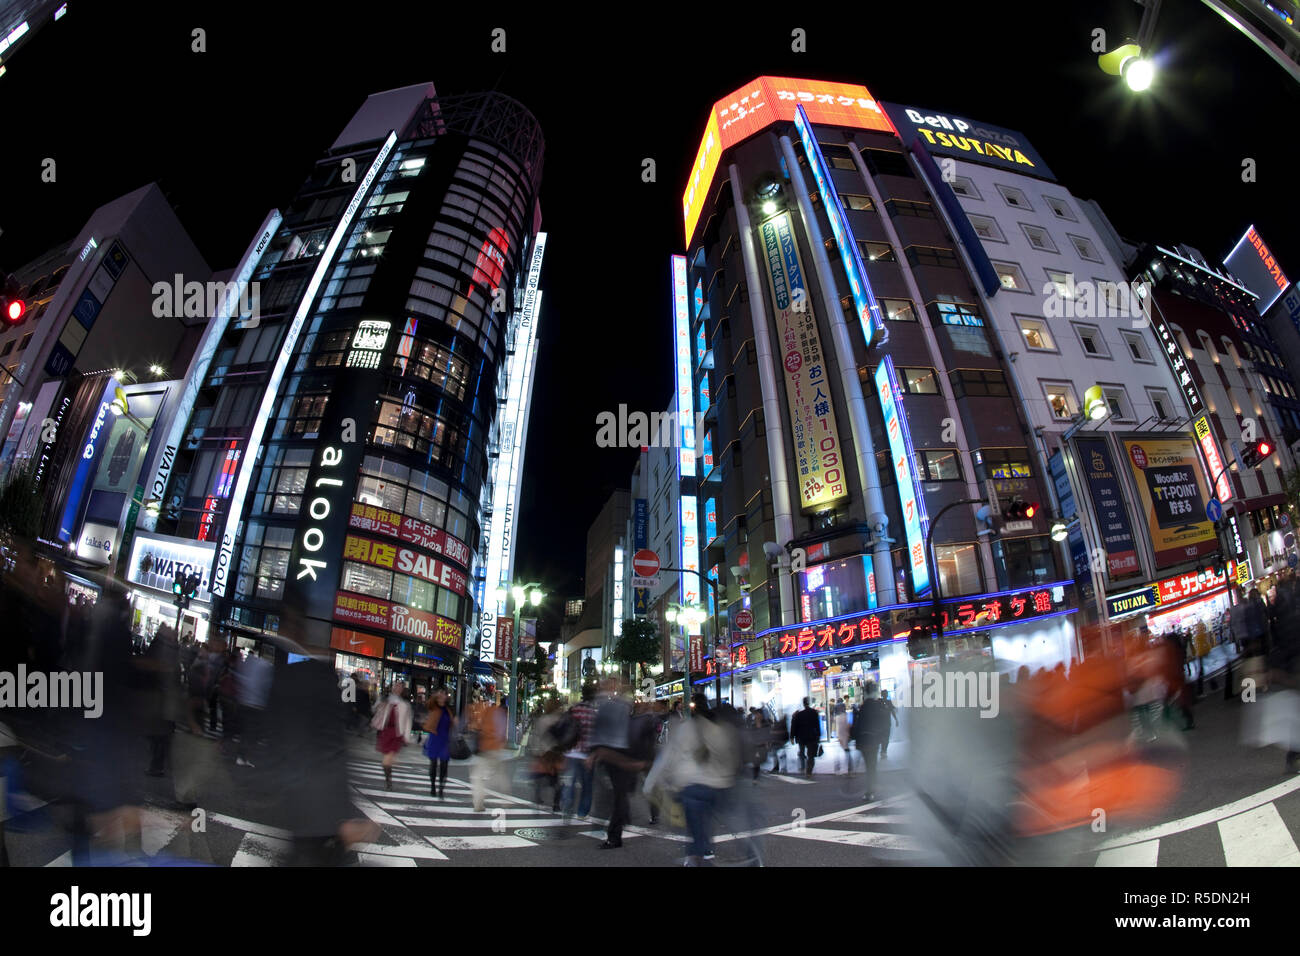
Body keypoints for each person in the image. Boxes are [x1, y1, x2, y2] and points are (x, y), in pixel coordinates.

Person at [643, 694, 739, 866]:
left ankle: (695, 857)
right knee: (705, 820)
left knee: (694, 826)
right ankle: (706, 850)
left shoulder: (685, 728)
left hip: (691, 784)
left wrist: (651, 782)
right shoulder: (716, 728)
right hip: (714, 784)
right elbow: (726, 755)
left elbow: (667, 755)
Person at [589, 677, 634, 848]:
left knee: (611, 795)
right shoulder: (623, 705)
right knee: (617, 795)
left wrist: (594, 753)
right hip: (620, 752)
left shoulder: (606, 705)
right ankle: (618, 828)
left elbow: (599, 729)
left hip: (610, 753)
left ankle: (614, 834)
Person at [561, 683, 598, 821]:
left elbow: (564, 729)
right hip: (586, 755)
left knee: (569, 782)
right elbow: (596, 736)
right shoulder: (594, 714)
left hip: (571, 753)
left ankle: (567, 807)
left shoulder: (573, 710)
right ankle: (582, 812)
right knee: (587, 785)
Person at [467, 693, 508, 812]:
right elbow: (501, 734)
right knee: (499, 774)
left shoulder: (487, 711)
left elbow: (478, 726)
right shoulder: (501, 715)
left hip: (484, 747)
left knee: (478, 776)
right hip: (495, 748)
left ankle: (478, 803)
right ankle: (505, 798)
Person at [371, 681, 414, 791]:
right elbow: (374, 710)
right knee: (386, 760)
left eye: (400, 687)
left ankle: (388, 781)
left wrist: (406, 736)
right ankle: (388, 776)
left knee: (387, 759)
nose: (397, 688)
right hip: (386, 731)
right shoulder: (385, 699)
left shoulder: (405, 704)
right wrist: (381, 705)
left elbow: (408, 721)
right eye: (396, 686)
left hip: (396, 732)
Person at [527, 698, 566, 810]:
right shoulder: (559, 719)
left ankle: (538, 796)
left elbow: (537, 736)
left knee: (541, 775)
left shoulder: (542, 720)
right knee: (555, 777)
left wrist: (535, 750)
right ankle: (556, 803)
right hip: (555, 752)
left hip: (543, 752)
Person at [852, 683, 886, 801]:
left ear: (865, 692)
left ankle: (870, 790)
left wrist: (855, 738)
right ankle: (872, 787)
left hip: (865, 740)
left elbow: (859, 725)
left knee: (869, 765)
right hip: (874, 740)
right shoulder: (878, 705)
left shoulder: (864, 706)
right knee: (872, 765)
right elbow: (882, 723)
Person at [422, 687, 455, 798]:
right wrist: (436, 695)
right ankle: (433, 786)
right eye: (440, 693)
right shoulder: (433, 706)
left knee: (444, 765)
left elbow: (451, 723)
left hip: (445, 739)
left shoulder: (448, 709)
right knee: (434, 764)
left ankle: (441, 788)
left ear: (446, 697)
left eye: (444, 694)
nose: (442, 696)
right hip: (434, 738)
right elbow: (429, 703)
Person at [790, 697, 821, 777]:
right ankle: (809, 771)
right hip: (811, 736)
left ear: (803, 704)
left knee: (802, 752)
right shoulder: (814, 712)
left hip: (801, 737)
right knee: (811, 755)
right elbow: (817, 725)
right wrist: (818, 735)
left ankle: (802, 766)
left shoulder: (799, 714)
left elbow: (794, 726)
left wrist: (792, 737)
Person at [833, 698, 852, 774]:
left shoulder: (837, 717)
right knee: (847, 753)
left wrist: (838, 736)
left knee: (838, 753)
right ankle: (849, 769)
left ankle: (837, 769)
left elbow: (838, 728)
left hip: (841, 737)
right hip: (845, 737)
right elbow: (847, 726)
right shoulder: (845, 715)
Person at [879, 690, 900, 758]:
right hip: (881, 723)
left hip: (887, 723)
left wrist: (896, 719)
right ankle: (883, 751)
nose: (885, 695)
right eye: (884, 694)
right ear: (882, 695)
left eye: (886, 694)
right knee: (883, 737)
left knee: (886, 738)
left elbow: (892, 711)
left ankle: (884, 751)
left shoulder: (889, 702)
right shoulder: (879, 702)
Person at [768, 708, 789, 773]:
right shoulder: (781, 722)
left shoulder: (780, 723)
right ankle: (781, 768)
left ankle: (779, 768)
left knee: (778, 754)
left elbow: (781, 732)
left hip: (778, 740)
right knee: (779, 755)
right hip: (779, 741)